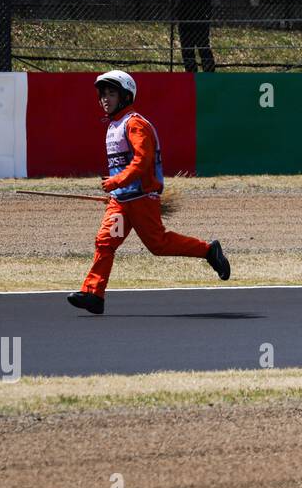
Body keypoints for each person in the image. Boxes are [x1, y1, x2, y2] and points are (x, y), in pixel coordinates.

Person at [68, 70, 229, 315]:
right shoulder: (113, 125)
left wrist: (116, 181)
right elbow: (124, 165)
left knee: (158, 244)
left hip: (143, 199)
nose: (105, 99)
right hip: (121, 202)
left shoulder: (135, 123)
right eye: (103, 95)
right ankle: (93, 294)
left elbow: (142, 162)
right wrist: (115, 190)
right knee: (105, 242)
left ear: (125, 95)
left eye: (111, 94)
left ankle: (208, 250)